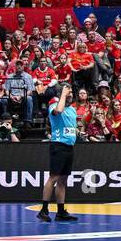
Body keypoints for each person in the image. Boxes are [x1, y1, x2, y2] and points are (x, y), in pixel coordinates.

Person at [41, 84, 78, 222]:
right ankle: (44, 210)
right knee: (54, 178)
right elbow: (59, 111)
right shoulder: (53, 106)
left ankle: (60, 212)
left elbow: (70, 127)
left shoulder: (73, 110)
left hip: (69, 147)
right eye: (67, 92)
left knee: (63, 180)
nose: (70, 94)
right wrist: (62, 94)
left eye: (71, 92)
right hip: (58, 145)